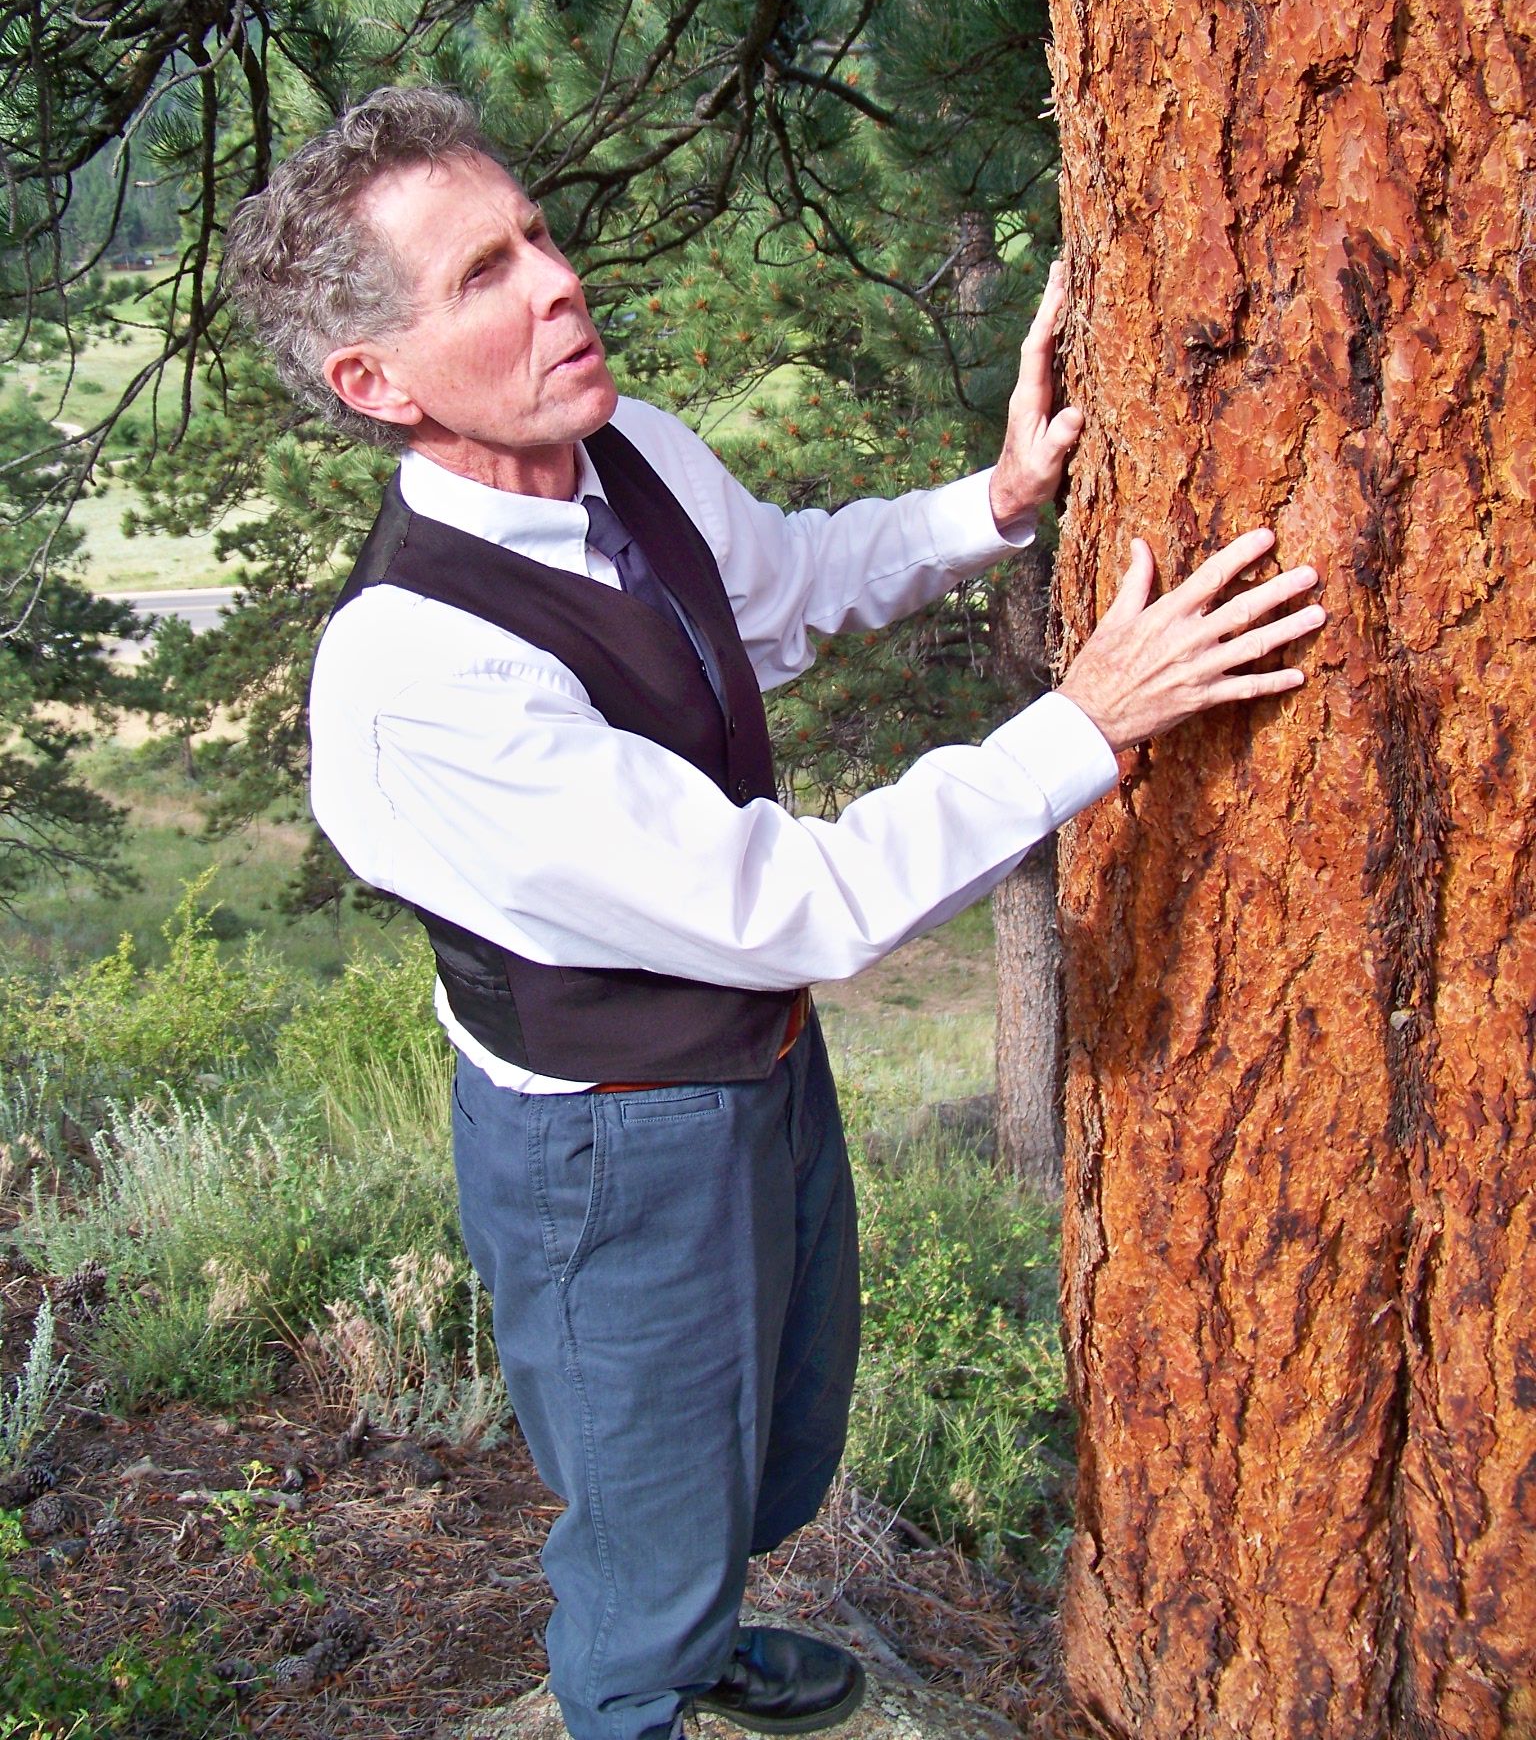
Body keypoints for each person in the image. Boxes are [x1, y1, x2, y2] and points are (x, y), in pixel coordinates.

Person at [221, 87, 1325, 1740]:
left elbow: (785, 588)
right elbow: (798, 902)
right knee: (648, 1493)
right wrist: (1087, 725)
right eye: (482, 276)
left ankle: (703, 1630)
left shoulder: (624, 452)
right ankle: (637, 1694)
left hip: (755, 1064)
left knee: (772, 1433)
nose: (559, 283)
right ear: (373, 382)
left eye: (536, 235)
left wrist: (994, 502)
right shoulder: (417, 674)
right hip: (609, 1135)